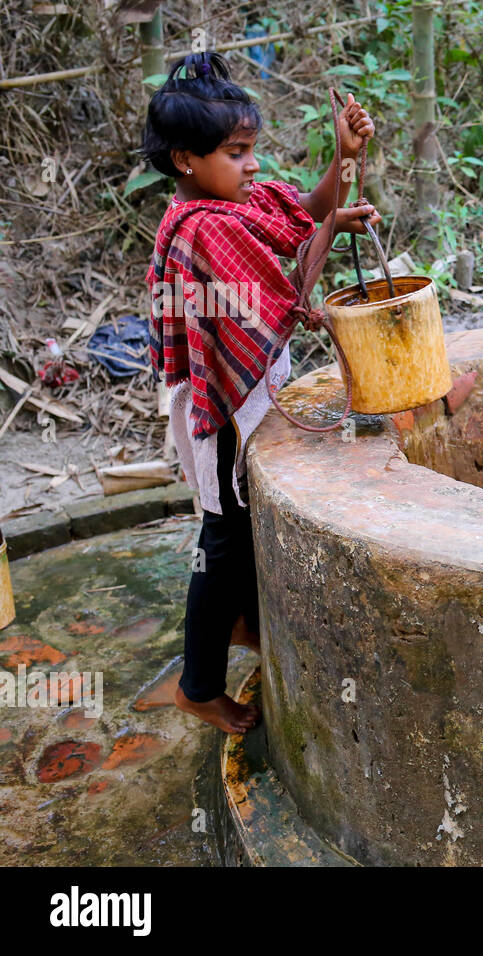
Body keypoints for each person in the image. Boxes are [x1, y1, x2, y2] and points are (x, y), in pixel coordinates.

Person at [141, 50, 380, 734]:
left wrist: (342, 158)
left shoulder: (229, 204)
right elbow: (284, 295)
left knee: (243, 524)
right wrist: (332, 229)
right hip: (221, 405)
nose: (252, 166)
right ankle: (197, 685)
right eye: (237, 152)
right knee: (221, 537)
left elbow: (301, 212)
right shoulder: (206, 228)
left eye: (253, 149)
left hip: (244, 391)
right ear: (186, 159)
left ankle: (240, 622)